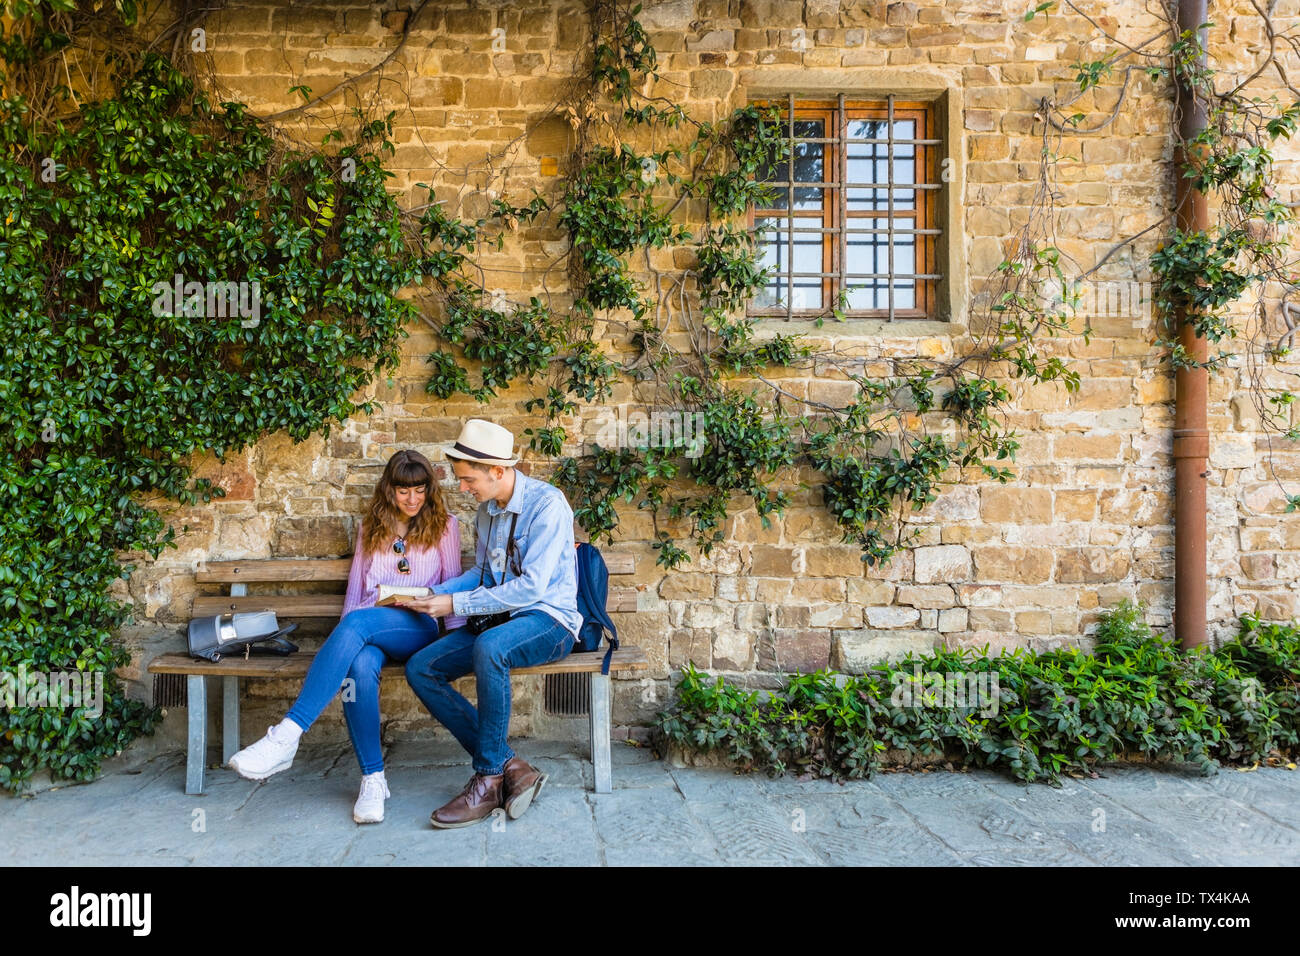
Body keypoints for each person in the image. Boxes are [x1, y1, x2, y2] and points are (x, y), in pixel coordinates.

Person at [226, 449, 466, 824]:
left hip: (418, 628)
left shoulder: (445, 526)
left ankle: (286, 736)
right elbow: (357, 592)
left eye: (420, 490)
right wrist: (350, 635)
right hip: (370, 627)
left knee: (358, 626)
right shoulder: (370, 528)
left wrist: (453, 646)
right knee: (359, 662)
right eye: (404, 491)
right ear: (389, 490)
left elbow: (452, 587)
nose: (413, 499)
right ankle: (373, 779)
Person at [400, 419, 581, 828]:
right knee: (421, 668)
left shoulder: (548, 505)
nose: (464, 489)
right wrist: (434, 593)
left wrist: (456, 603)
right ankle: (512, 768)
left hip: (550, 622)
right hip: (499, 622)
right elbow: (481, 574)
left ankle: (486, 780)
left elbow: (533, 587)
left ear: (497, 471)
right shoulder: (487, 513)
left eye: (468, 480)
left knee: (490, 647)